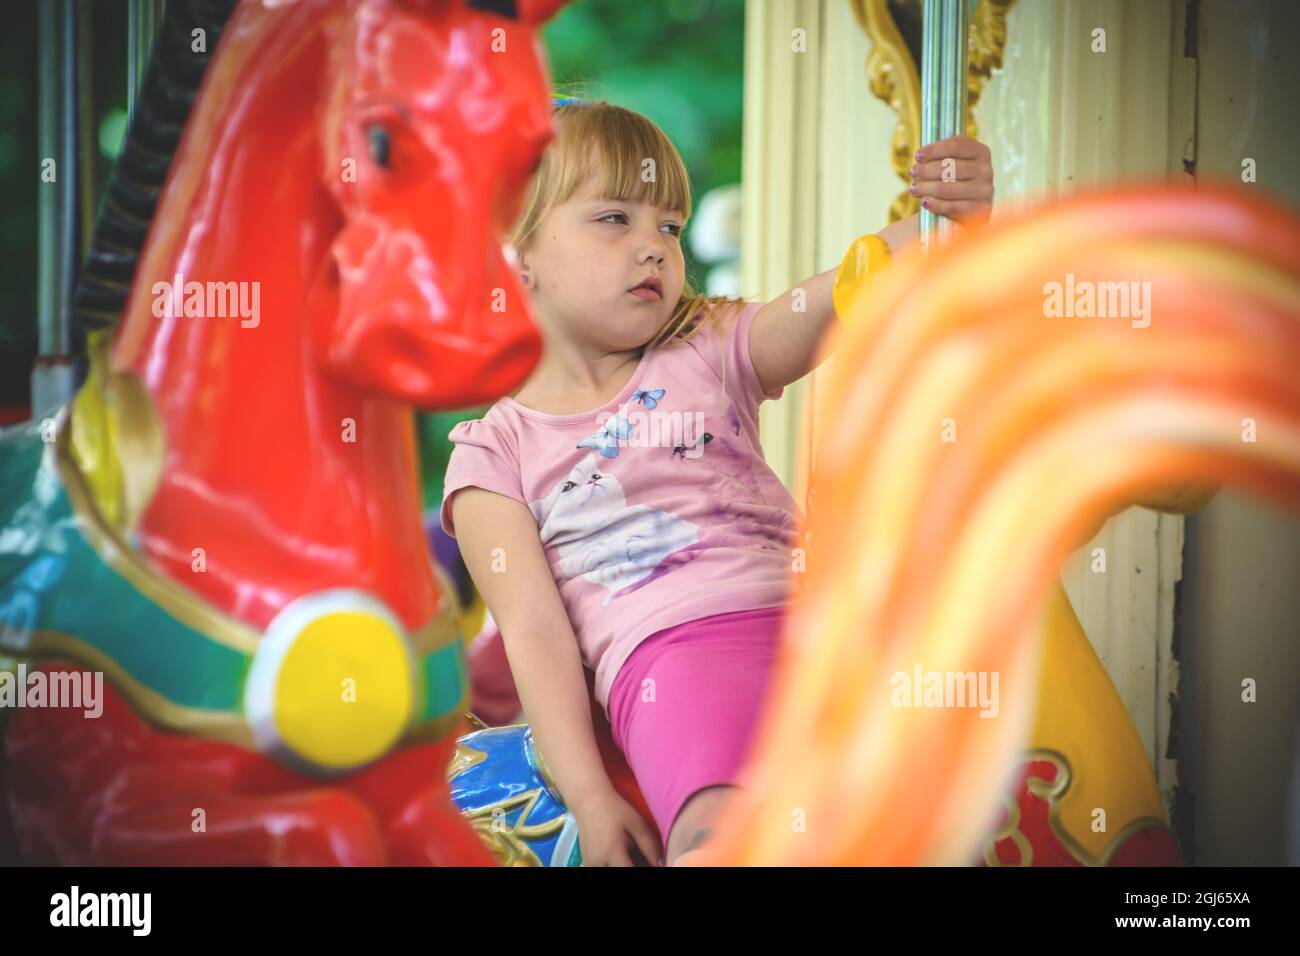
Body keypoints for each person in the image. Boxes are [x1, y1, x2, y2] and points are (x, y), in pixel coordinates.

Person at [441, 100, 994, 866]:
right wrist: (592, 797)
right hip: (675, 652)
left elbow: (843, 292)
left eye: (669, 227)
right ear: (518, 249)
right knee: (721, 827)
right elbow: (535, 637)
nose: (654, 250)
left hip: (827, 621)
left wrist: (944, 225)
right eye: (615, 219)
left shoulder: (708, 346)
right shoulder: (494, 455)